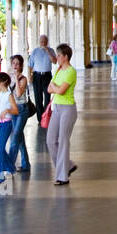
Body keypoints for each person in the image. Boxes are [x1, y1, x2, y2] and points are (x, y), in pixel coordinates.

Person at [45, 44, 78, 186]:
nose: (56, 58)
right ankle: (68, 165)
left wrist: (55, 88)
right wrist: (55, 88)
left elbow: (60, 91)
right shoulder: (58, 70)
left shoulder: (71, 71)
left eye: (59, 55)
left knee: (63, 141)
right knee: (51, 140)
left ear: (65, 57)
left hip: (68, 109)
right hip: (56, 108)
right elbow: (49, 89)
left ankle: (62, 176)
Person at [5, 54, 32, 172]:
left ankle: (9, 165)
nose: (15, 66)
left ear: (21, 66)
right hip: (13, 110)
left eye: (17, 64)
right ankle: (26, 164)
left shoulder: (23, 79)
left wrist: (16, 78)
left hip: (22, 110)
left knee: (15, 138)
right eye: (13, 63)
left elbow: (19, 93)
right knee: (19, 137)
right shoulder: (9, 78)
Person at [29, 35, 54, 117]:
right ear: (39, 42)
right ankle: (40, 118)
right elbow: (30, 65)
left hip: (47, 75)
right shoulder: (35, 51)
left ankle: (46, 116)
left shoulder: (51, 50)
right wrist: (30, 76)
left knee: (47, 96)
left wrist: (48, 52)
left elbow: (54, 61)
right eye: (41, 41)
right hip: (37, 76)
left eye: (44, 41)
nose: (43, 43)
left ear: (47, 42)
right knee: (38, 97)